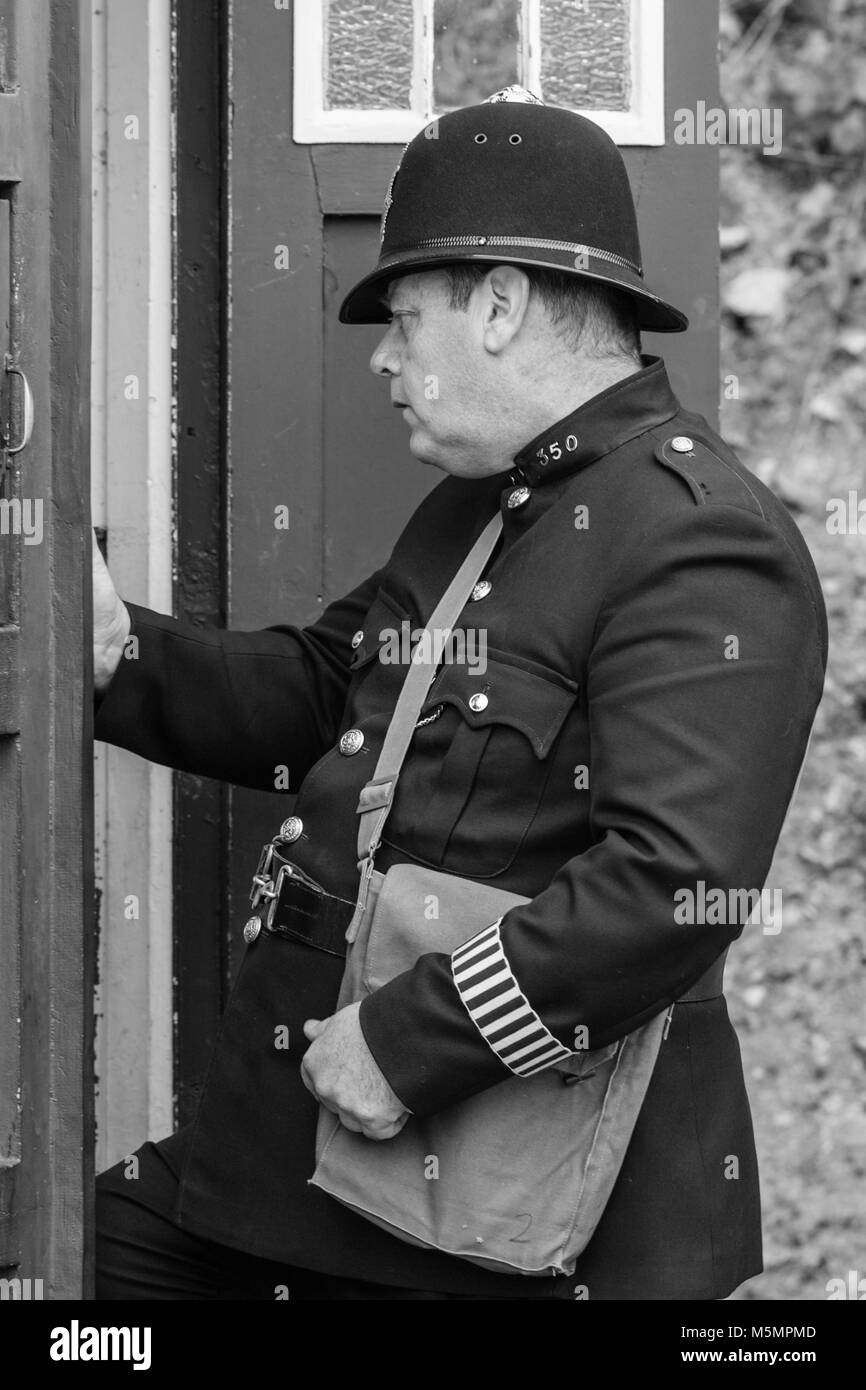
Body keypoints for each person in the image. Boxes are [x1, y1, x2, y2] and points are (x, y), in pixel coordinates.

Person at [92, 89, 827, 1300]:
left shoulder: (702, 540)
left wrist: (406, 1041)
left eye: (405, 315)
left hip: (506, 1211)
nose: (383, 354)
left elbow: (670, 885)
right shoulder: (481, 506)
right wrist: (121, 655)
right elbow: (326, 694)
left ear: (498, 304)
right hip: (298, 1172)